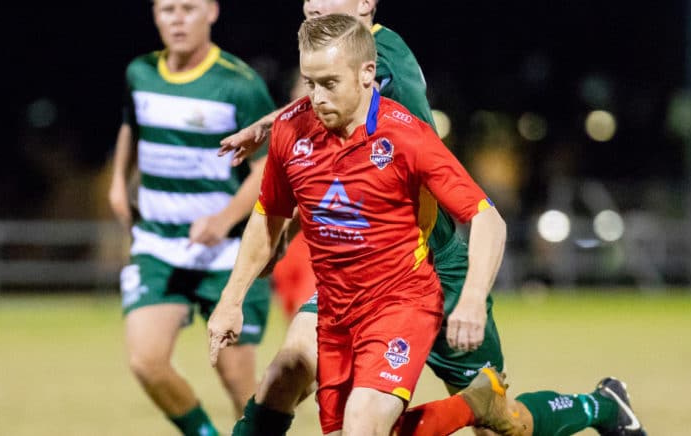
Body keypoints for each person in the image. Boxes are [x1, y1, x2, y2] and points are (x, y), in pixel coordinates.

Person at [215, 2, 647, 436]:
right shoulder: (318, 93)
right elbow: (310, 152)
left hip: (431, 270)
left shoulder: (395, 92)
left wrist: (473, 296)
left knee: (504, 422)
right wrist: (277, 126)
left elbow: (427, 176)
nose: (312, 5)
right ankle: (472, 403)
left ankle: (597, 406)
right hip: (347, 286)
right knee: (286, 374)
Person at [208, 13, 510, 435]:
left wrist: (474, 298)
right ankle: (474, 403)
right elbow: (268, 216)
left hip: (401, 301)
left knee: (362, 424)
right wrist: (231, 299)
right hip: (335, 310)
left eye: (329, 83)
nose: (316, 98)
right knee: (308, 398)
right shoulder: (290, 131)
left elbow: (487, 217)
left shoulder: (405, 135)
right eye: (309, 83)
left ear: (369, 73)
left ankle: (478, 404)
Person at [107, 0, 277, 434]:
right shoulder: (139, 73)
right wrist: (117, 182)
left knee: (240, 385)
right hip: (160, 244)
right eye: (167, 10)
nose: (177, 19)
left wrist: (222, 219)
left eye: (188, 8)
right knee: (147, 362)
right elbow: (132, 125)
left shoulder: (239, 84)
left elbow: (265, 169)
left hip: (227, 253)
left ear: (213, 12)